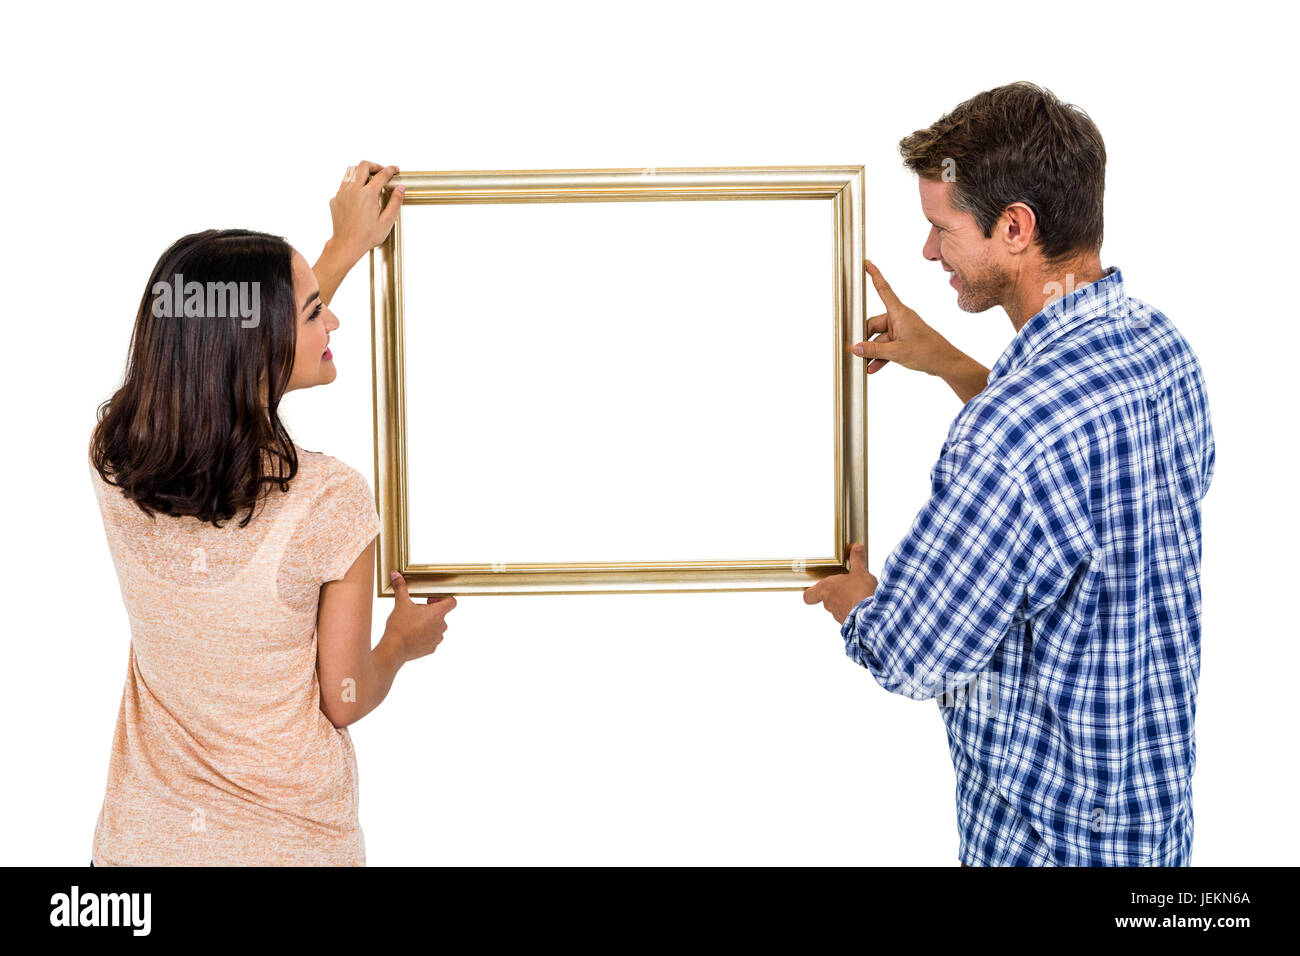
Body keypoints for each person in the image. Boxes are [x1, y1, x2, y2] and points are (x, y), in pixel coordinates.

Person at [803, 83, 1215, 867]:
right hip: (1151, 833)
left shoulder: (1007, 440)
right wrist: (954, 366)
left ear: (1016, 227)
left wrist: (860, 604)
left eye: (940, 227)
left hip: (1046, 845)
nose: (928, 253)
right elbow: (1074, 477)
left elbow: (913, 652)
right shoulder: (1160, 349)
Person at [88, 161, 456, 866]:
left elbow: (226, 359)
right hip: (287, 847)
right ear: (257, 345)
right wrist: (402, 644)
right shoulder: (328, 502)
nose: (335, 318)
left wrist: (340, 250)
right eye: (316, 310)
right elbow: (344, 697)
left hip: (141, 849)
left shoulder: (115, 465)